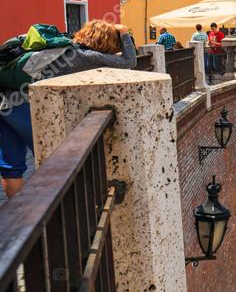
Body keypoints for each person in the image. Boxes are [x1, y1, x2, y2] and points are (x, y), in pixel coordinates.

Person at [0, 20, 136, 198]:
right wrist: (124, 32)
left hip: (5, 104)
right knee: (51, 160)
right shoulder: (86, 57)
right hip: (24, 107)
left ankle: (19, 218)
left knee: (12, 170)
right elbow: (129, 61)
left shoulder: (64, 47)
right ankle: (47, 214)